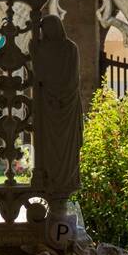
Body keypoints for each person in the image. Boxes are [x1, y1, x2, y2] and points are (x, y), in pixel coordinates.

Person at [32, 13, 82, 196]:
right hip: (55, 107)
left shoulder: (68, 48)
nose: (47, 32)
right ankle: (51, 179)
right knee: (51, 147)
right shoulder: (66, 48)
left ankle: (63, 181)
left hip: (56, 105)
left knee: (63, 148)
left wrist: (55, 95)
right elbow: (39, 75)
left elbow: (71, 78)